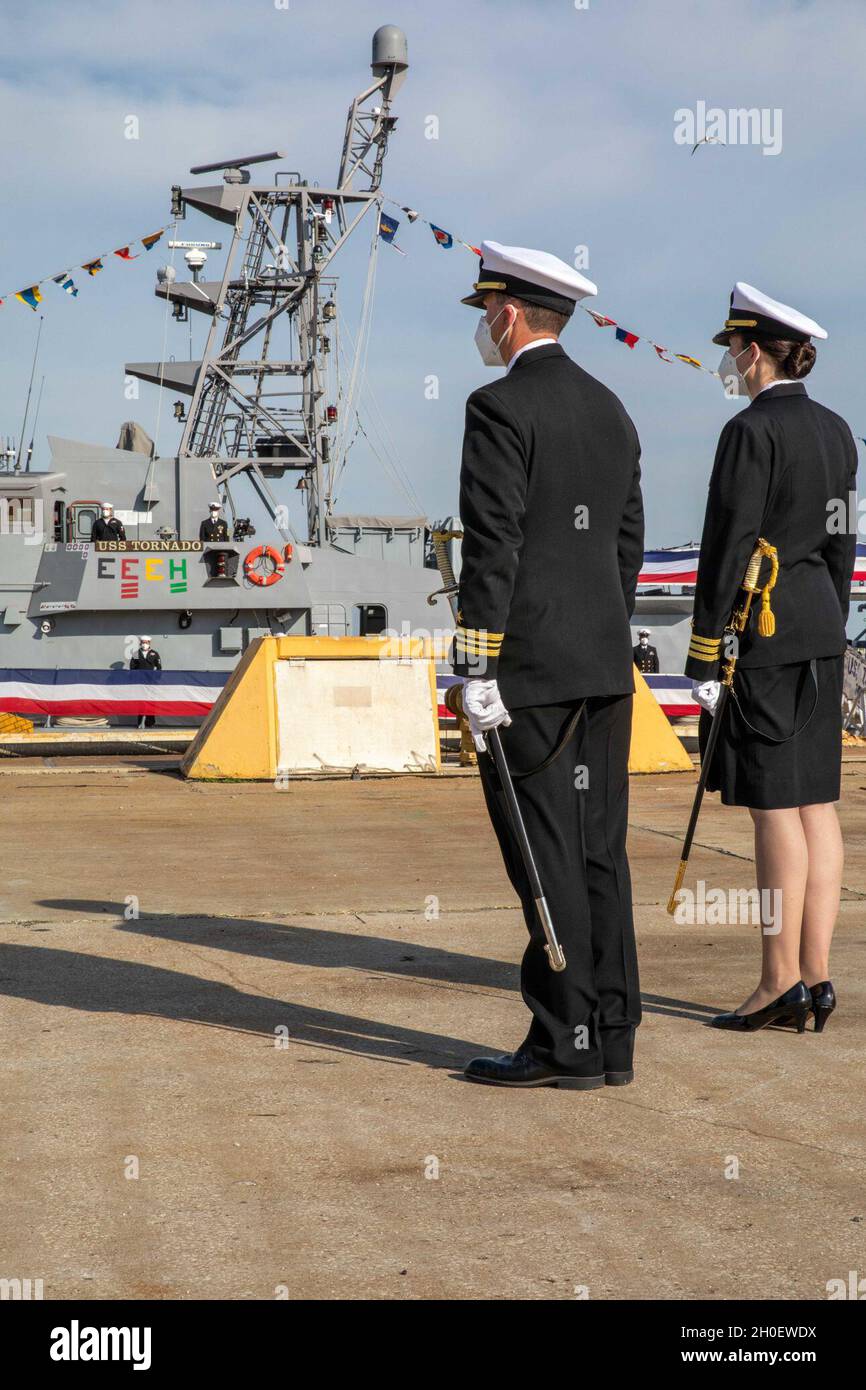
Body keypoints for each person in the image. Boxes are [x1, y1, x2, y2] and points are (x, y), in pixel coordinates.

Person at [452, 241, 644, 1090]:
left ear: (509, 312)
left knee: (543, 850)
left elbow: (494, 546)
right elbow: (626, 543)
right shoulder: (612, 408)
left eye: (485, 313)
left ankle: (561, 1038)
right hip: (603, 662)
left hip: (528, 667)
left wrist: (476, 664)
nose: (485, 329)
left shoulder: (498, 409)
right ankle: (614, 1035)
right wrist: (601, 625)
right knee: (601, 848)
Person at [686, 282, 857, 1034]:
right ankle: (816, 979)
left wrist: (702, 653)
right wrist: (829, 620)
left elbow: (727, 544)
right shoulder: (839, 430)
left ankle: (777, 979)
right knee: (817, 806)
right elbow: (842, 543)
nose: (727, 359)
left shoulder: (749, 432)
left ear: (753, 350)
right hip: (819, 626)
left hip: (764, 634)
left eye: (731, 347)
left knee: (773, 812)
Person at [130, 635, 161, 729]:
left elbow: (159, 668)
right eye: (143, 642)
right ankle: (140, 722)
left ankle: (150, 722)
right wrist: (134, 679)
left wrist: (156, 678)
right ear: (140, 643)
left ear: (149, 643)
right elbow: (132, 667)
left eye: (146, 642)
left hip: (150, 682)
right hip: (140, 682)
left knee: (151, 701)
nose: (144, 644)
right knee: (141, 702)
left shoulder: (154, 654)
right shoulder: (136, 654)